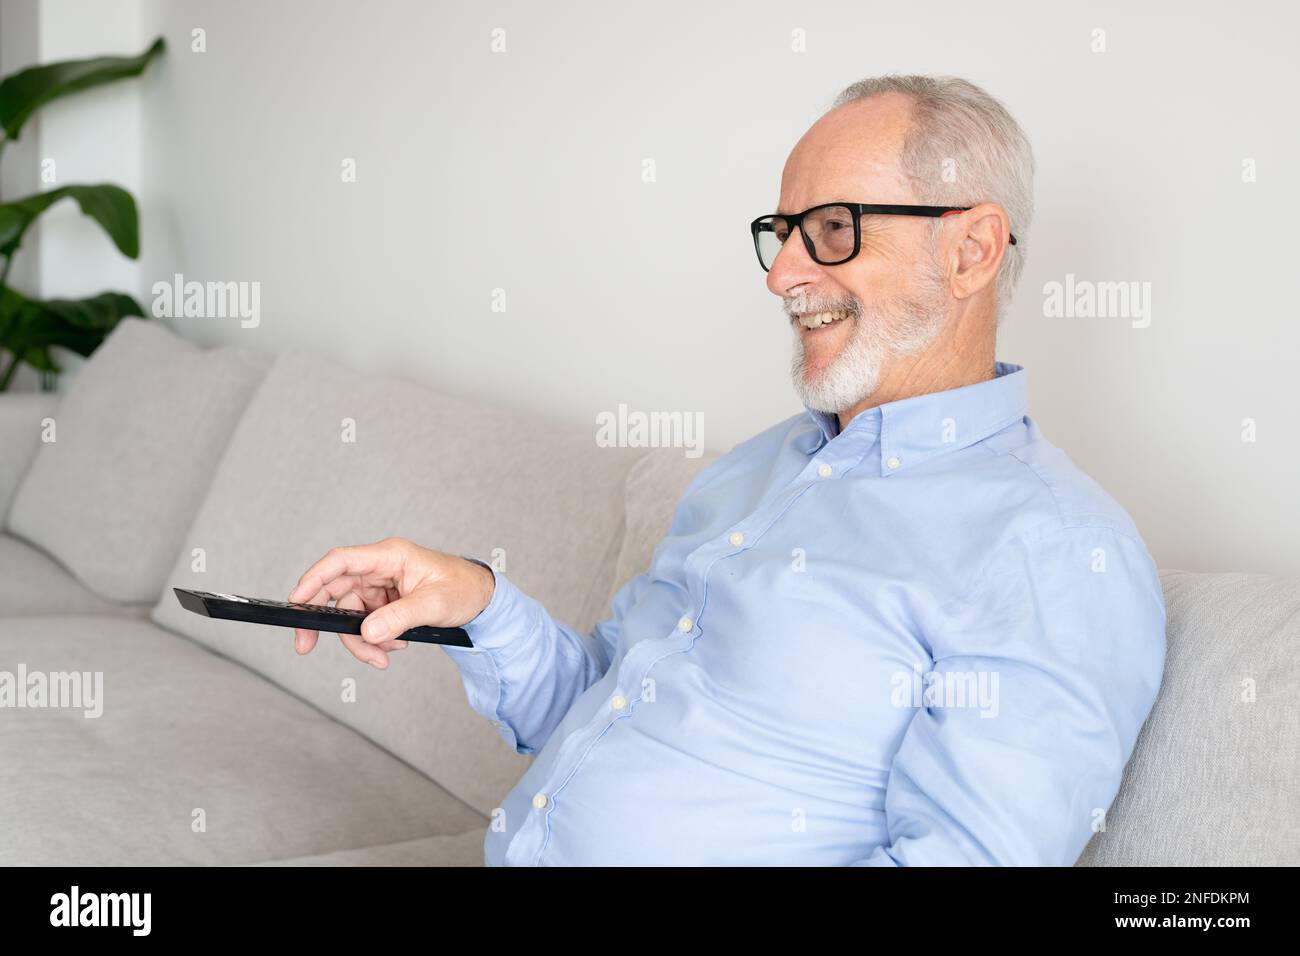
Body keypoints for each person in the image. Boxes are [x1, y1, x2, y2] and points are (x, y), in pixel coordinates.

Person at [287, 75, 1166, 866]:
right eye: (782, 235)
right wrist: (480, 603)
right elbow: (603, 709)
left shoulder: (1053, 549)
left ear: (971, 250)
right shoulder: (759, 470)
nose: (783, 274)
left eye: (829, 229)